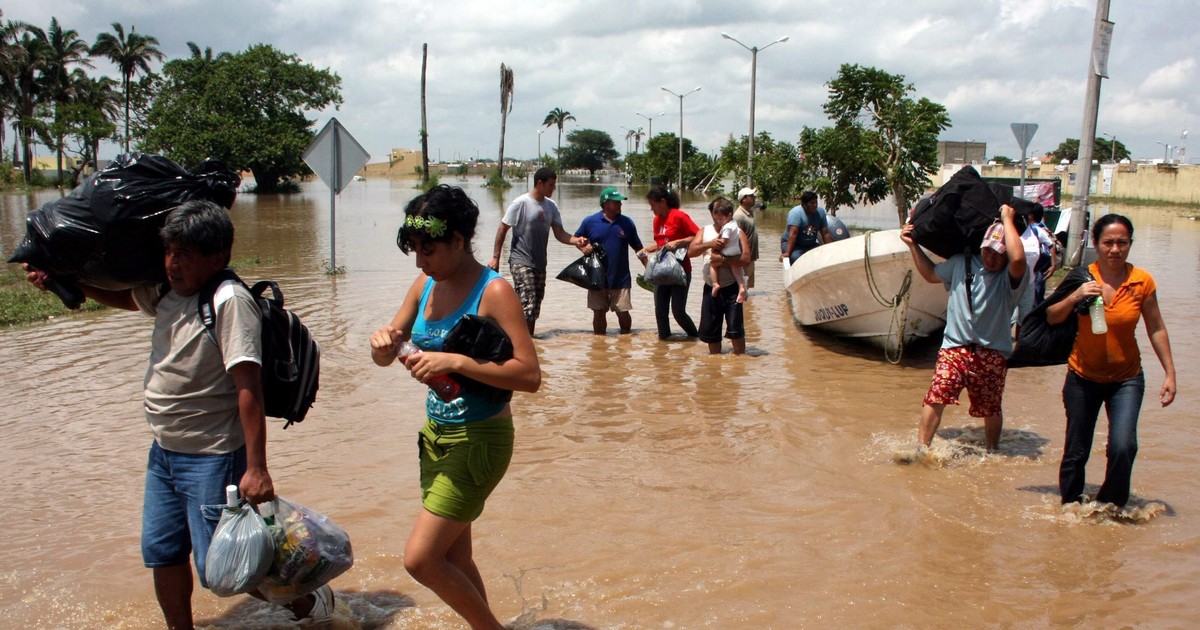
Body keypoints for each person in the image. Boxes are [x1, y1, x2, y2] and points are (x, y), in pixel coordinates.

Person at [24, 200, 332, 628]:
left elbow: (249, 388)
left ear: (217, 257)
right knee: (162, 554)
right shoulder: (169, 290)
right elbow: (125, 298)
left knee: (222, 566)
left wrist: (257, 468)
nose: (173, 263)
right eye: (170, 251)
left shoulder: (228, 301)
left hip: (214, 456)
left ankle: (308, 600)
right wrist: (65, 281)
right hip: (165, 454)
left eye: (185, 254)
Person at [369, 185, 541, 629]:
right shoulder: (424, 284)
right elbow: (388, 351)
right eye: (415, 251)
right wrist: (382, 343)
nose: (420, 261)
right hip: (436, 438)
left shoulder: (494, 291)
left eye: (429, 250)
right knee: (455, 558)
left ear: (460, 242)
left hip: (480, 439)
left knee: (421, 559)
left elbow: (529, 376)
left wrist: (458, 360)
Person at [1046, 214, 1176, 507]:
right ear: (1096, 243)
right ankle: (1070, 508)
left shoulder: (1142, 282)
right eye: (1108, 242)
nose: (1115, 249)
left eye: (1122, 242)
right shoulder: (1082, 277)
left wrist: (1170, 373)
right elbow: (1052, 317)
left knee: (1123, 446)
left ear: (1130, 244)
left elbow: (1156, 327)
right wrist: (1074, 296)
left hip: (1126, 379)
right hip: (1082, 377)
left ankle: (1111, 507)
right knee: (1076, 451)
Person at [900, 203, 1028, 451]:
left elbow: (1019, 258)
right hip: (954, 349)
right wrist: (912, 244)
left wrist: (1007, 219)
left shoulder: (1010, 277)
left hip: (991, 352)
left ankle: (992, 450)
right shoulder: (962, 263)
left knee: (991, 408)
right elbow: (931, 274)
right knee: (936, 396)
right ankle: (921, 450)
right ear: (981, 247)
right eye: (988, 251)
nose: (992, 257)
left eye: (999, 253)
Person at [487, 167, 579, 335]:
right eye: (551, 185)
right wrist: (495, 257)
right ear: (540, 183)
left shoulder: (551, 206)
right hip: (520, 260)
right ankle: (521, 341)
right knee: (527, 300)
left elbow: (560, 234)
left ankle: (529, 339)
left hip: (540, 263)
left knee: (535, 306)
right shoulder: (521, 203)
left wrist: (577, 241)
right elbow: (502, 228)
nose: (553, 189)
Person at [574, 186, 648, 334]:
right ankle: (599, 346)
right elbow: (577, 239)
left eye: (620, 202)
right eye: (617, 202)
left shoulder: (627, 223)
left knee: (623, 311)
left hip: (620, 278)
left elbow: (638, 249)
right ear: (606, 204)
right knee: (599, 312)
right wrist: (583, 248)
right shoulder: (590, 222)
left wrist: (649, 269)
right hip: (596, 278)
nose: (620, 204)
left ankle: (626, 342)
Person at [689, 197, 752, 354]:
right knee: (712, 333)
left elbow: (745, 258)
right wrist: (710, 244)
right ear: (711, 213)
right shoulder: (704, 231)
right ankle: (715, 367)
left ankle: (739, 361)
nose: (717, 217)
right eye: (714, 213)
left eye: (720, 214)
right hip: (711, 287)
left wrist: (723, 260)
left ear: (728, 215)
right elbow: (691, 252)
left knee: (736, 331)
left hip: (732, 287)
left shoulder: (738, 232)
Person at [638, 186, 700, 339]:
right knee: (660, 311)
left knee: (678, 311)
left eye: (653, 205)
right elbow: (661, 244)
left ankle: (695, 337)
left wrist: (679, 242)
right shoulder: (656, 220)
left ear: (663, 202)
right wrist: (646, 250)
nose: (651, 209)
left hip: (680, 269)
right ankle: (663, 344)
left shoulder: (679, 216)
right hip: (661, 270)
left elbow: (698, 236)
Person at [779, 191, 832, 263]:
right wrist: (787, 253)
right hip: (793, 245)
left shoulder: (821, 213)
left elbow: (825, 233)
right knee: (796, 258)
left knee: (823, 255)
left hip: (810, 244)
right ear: (804, 204)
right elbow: (793, 234)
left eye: (816, 202)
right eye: (812, 203)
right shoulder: (796, 214)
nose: (815, 205)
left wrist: (831, 249)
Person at [710, 212, 748, 304]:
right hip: (736, 252)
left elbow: (723, 241)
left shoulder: (727, 227)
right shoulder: (735, 225)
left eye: (721, 219)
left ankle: (715, 284)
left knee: (712, 265)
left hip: (727, 252)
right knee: (736, 271)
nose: (719, 221)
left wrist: (714, 244)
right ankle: (741, 287)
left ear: (729, 215)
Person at [733, 187, 760, 289]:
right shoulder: (739, 216)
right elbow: (737, 237)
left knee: (747, 285)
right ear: (744, 199)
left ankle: (747, 304)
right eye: (751, 196)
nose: (754, 198)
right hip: (744, 256)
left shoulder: (749, 213)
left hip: (750, 256)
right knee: (742, 285)